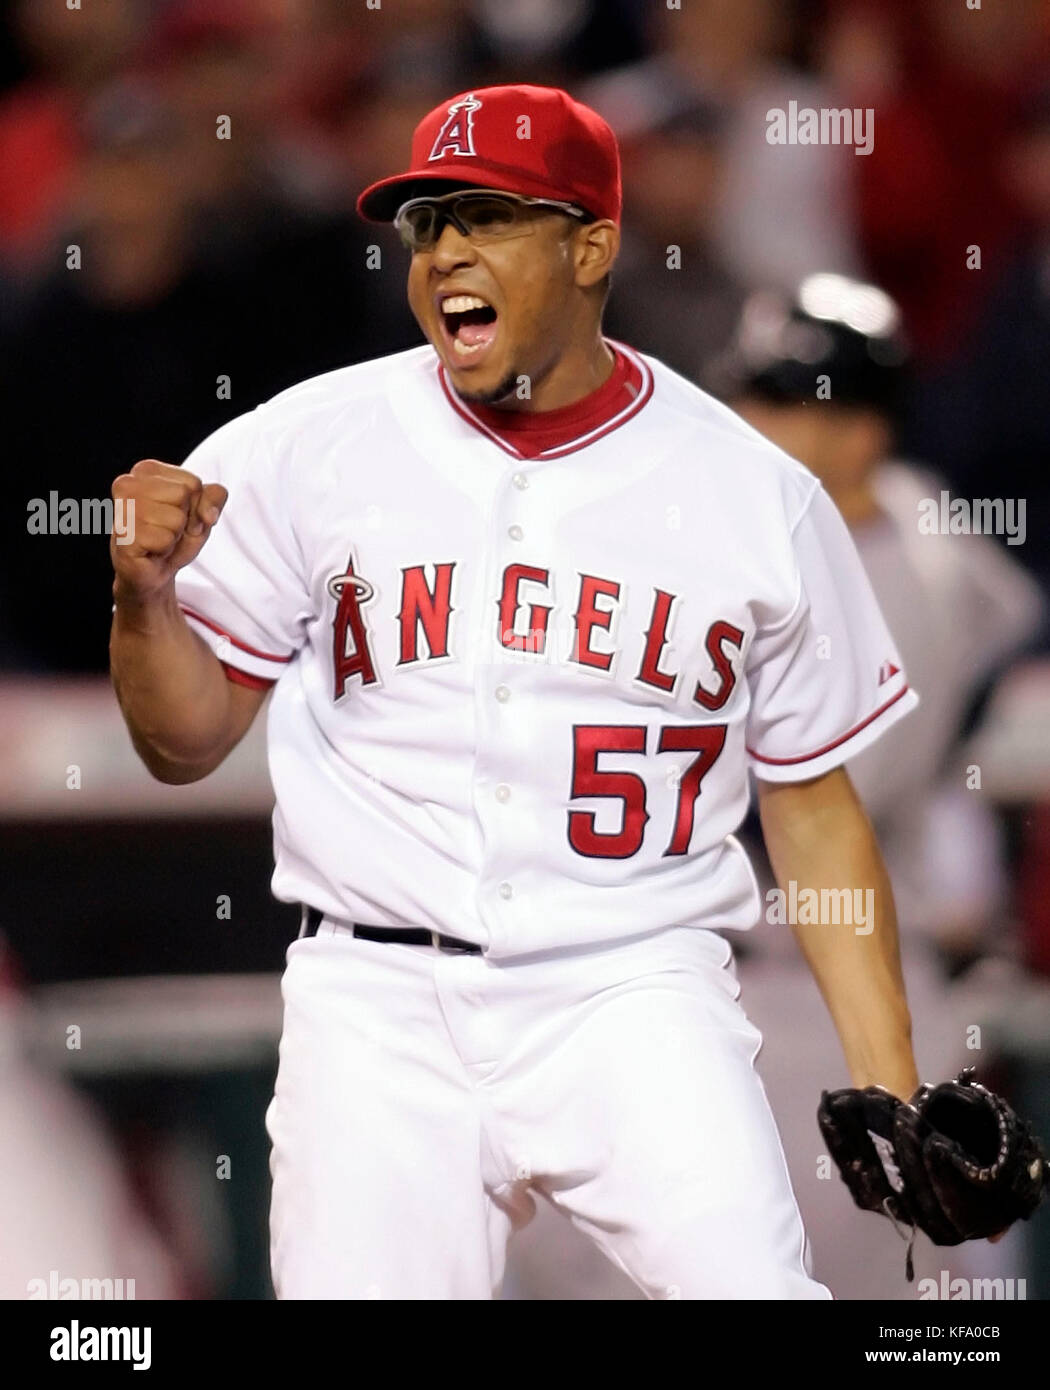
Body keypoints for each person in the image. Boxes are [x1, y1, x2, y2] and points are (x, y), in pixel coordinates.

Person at [110, 84, 926, 1301]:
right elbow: (181, 742)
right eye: (428, 223)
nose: (446, 254)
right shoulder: (300, 447)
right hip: (377, 996)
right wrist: (145, 601)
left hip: (636, 980)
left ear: (591, 244)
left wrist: (895, 1090)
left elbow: (812, 801)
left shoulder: (752, 492)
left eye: (488, 216)